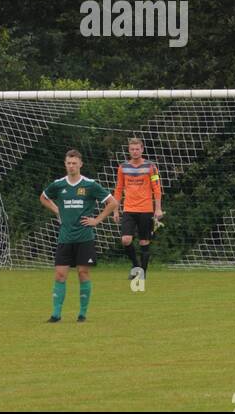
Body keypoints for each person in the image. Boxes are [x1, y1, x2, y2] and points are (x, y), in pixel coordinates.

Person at [40, 149, 117, 322]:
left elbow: (112, 203)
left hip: (84, 238)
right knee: (60, 275)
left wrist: (97, 220)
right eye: (69, 163)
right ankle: (56, 315)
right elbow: (43, 198)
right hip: (65, 238)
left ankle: (82, 314)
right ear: (65, 164)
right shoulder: (59, 185)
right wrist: (57, 210)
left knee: (83, 273)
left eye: (74, 163)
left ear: (80, 164)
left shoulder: (90, 185)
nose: (71, 166)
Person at [112, 136, 163, 281]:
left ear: (142, 149)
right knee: (126, 240)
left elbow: (157, 188)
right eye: (132, 149)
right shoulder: (122, 167)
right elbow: (118, 189)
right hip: (129, 209)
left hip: (146, 209)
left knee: (144, 242)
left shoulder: (150, 167)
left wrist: (158, 208)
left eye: (137, 149)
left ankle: (142, 273)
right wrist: (115, 210)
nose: (135, 151)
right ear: (129, 150)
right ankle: (136, 266)